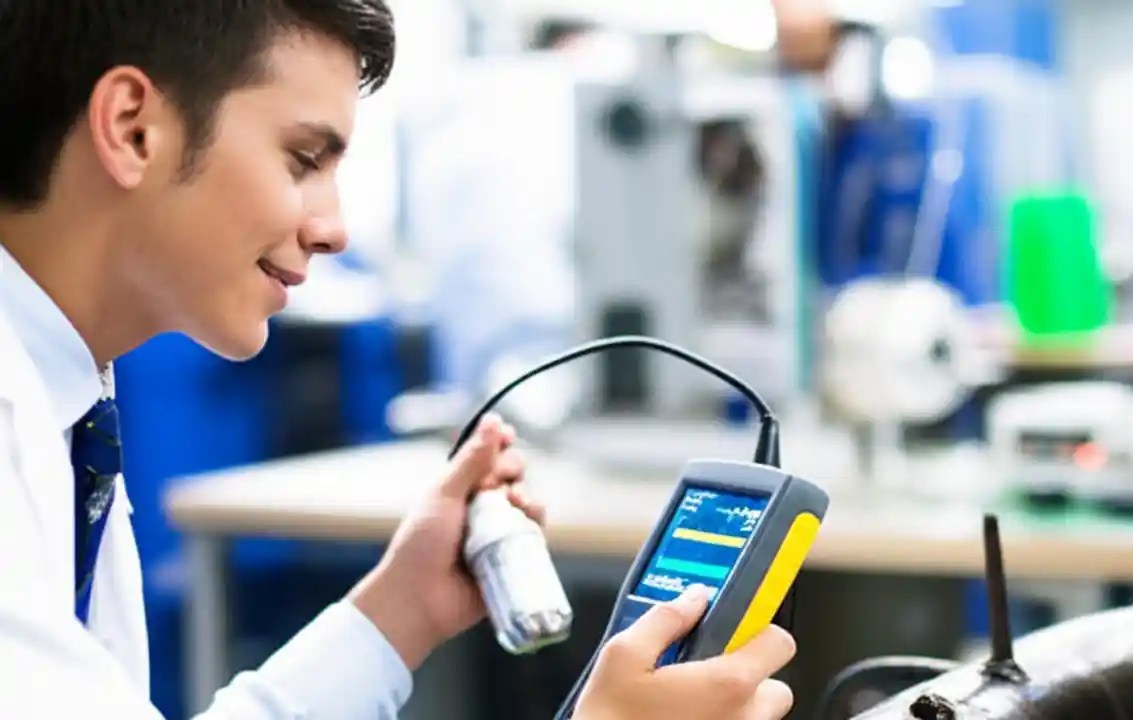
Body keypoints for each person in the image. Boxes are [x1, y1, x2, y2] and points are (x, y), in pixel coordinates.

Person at [0, 1, 798, 718]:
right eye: (303, 159)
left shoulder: (59, 400)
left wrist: (403, 608)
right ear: (133, 127)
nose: (335, 228)